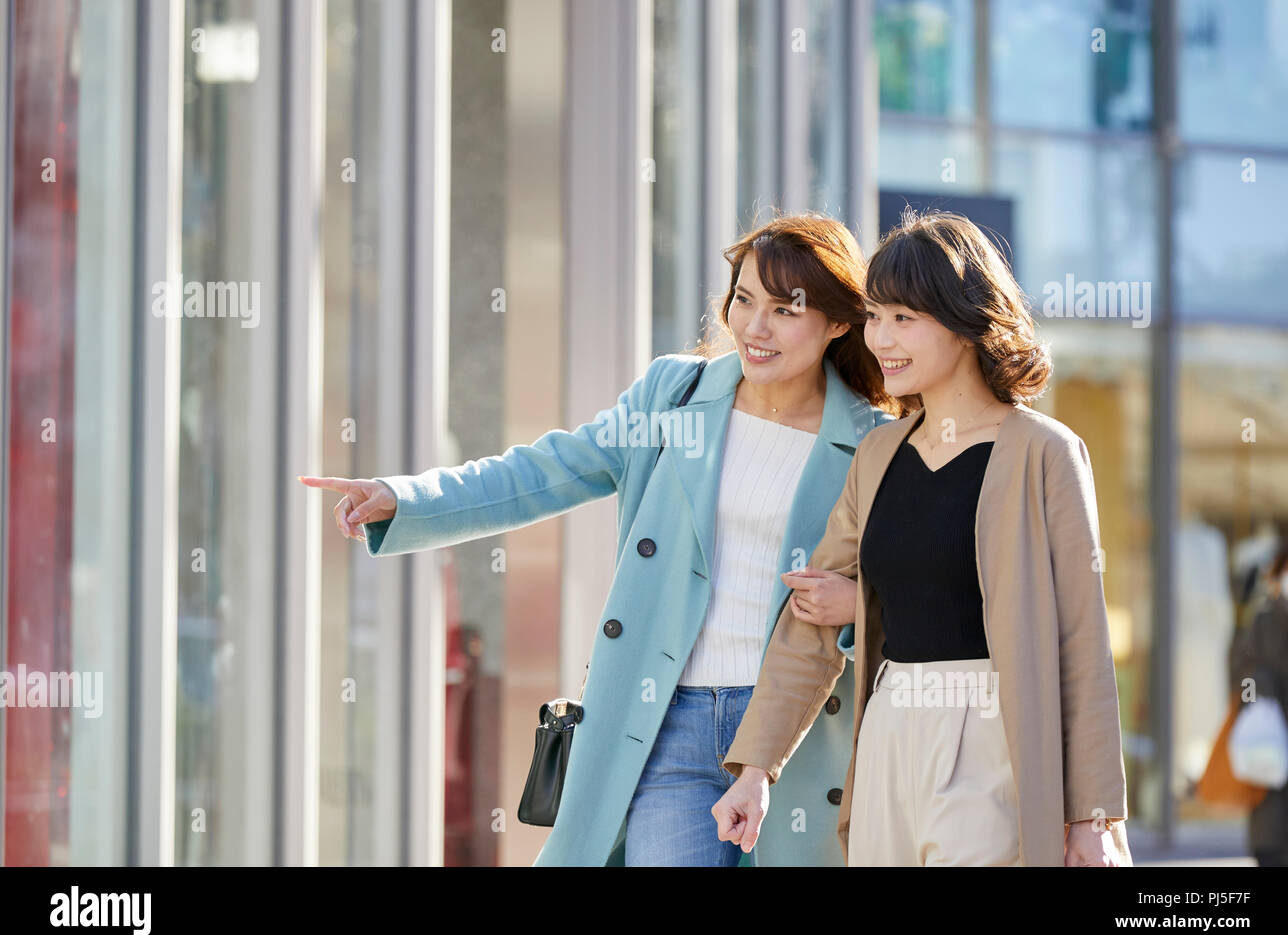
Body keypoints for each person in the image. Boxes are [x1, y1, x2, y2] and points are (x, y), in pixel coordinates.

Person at [300, 213, 899, 866]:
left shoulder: (872, 443)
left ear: (840, 321)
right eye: (744, 299)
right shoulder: (673, 399)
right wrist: (406, 499)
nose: (754, 327)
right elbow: (545, 470)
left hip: (799, 739)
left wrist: (856, 605)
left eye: (785, 310)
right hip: (666, 721)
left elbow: (921, 583)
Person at [713, 207, 1132, 866]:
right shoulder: (877, 455)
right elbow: (810, 624)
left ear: (967, 322)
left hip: (994, 741)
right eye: (875, 317)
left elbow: (1082, 643)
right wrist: (755, 769)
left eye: (904, 318)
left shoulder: (1043, 453)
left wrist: (1092, 816)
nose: (881, 339)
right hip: (887, 733)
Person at [1228, 531, 1288, 866]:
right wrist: (1260, 691)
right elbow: (1242, 676)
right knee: (1272, 847)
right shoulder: (1264, 618)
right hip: (1270, 759)